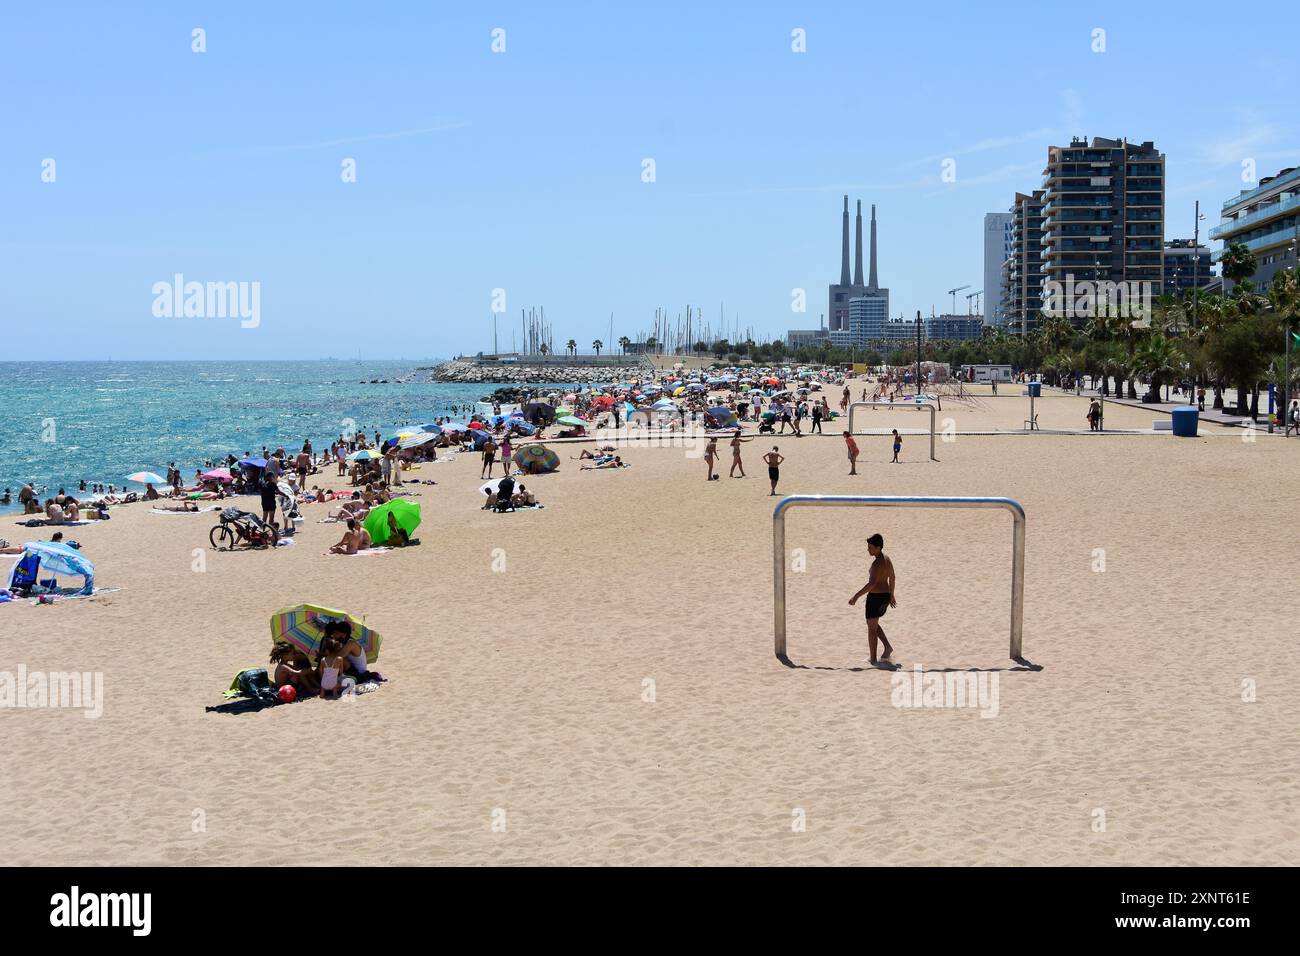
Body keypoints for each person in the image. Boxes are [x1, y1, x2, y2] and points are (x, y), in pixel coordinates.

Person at [848, 532, 896, 666]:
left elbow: (872, 584)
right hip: (885, 596)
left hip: (875, 598)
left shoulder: (876, 564)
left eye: (870, 547)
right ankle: (887, 647)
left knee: (871, 628)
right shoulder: (887, 558)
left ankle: (874, 659)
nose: (868, 549)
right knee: (873, 625)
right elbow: (892, 577)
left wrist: (855, 596)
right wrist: (891, 595)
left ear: (879, 547)